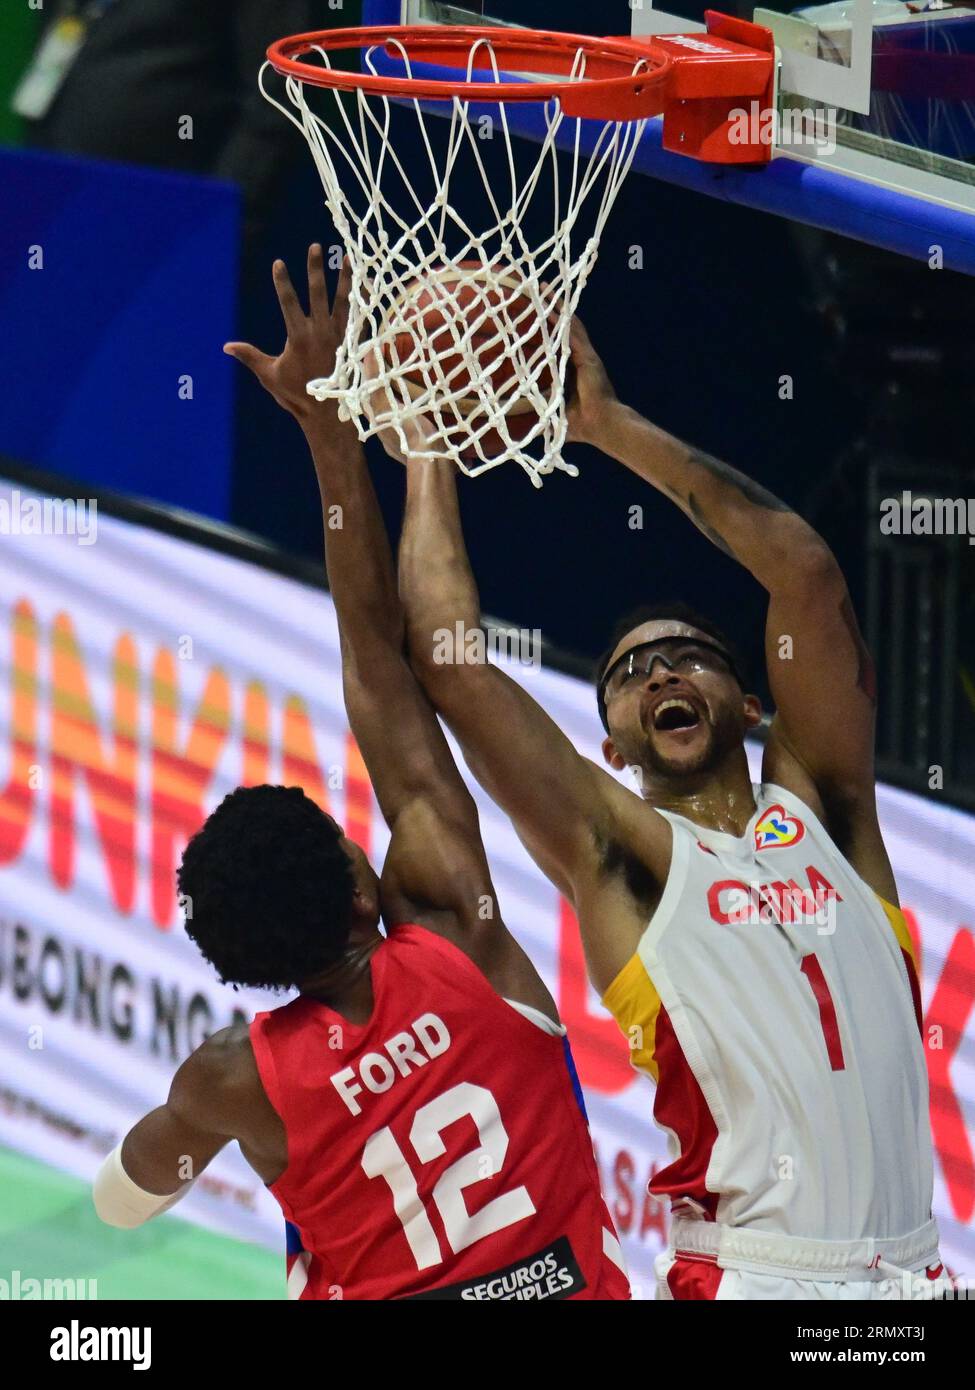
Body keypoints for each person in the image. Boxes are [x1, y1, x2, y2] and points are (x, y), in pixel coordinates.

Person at [92, 249, 629, 1303]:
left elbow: (121, 1200)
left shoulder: (231, 1076)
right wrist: (337, 440)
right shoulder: (456, 929)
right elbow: (376, 661)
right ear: (356, 883)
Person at [391, 317, 946, 1301]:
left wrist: (606, 426)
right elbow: (451, 658)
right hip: (761, 1279)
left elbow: (807, 575)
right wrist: (428, 450)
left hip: (913, 1276)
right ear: (609, 738)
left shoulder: (832, 817)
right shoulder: (625, 852)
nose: (660, 676)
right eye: (631, 674)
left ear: (750, 703)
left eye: (687, 656)